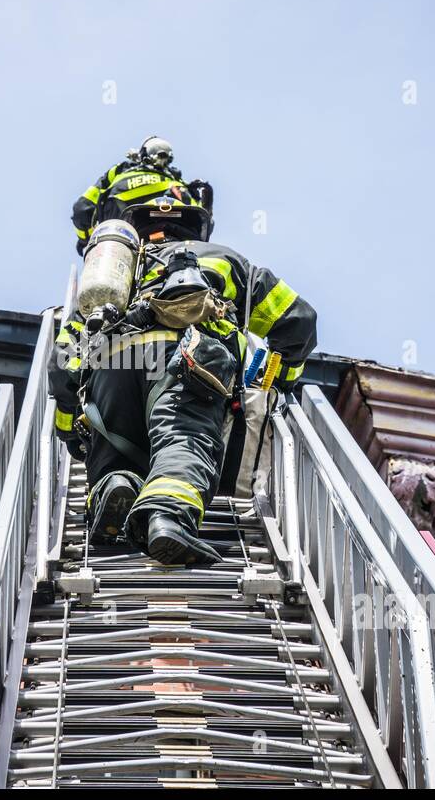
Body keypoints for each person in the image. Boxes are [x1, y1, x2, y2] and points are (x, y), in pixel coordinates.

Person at [49, 209, 317, 566]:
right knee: (182, 440)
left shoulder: (112, 275)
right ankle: (167, 517)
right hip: (186, 359)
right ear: (197, 230)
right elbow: (299, 321)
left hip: (110, 367)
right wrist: (278, 378)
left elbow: (63, 362)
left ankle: (116, 487)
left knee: (115, 453)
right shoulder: (225, 260)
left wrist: (71, 432)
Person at [70, 136, 211, 255]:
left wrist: (85, 239)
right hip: (184, 247)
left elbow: (82, 208)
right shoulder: (179, 186)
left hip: (120, 246)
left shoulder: (118, 174)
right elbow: (204, 222)